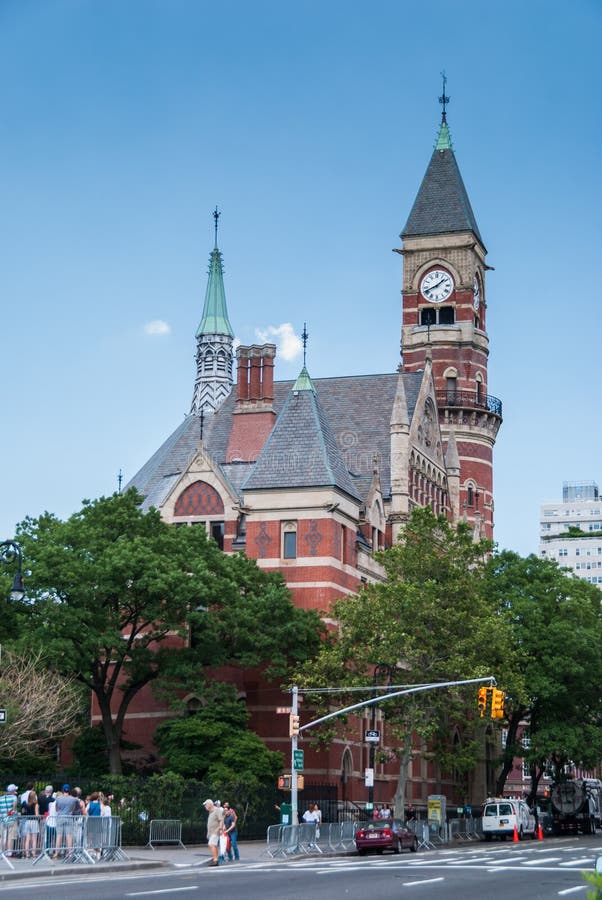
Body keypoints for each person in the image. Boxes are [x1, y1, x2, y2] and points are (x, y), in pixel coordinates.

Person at [0, 784, 18, 857]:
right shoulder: (14, 797)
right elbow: (14, 808)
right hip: (11, 819)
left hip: (3, 819)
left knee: (2, 836)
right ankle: (9, 851)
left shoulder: (1, 798)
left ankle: (1, 851)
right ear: (13, 791)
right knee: (10, 836)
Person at [203, 799, 222, 866]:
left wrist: (220, 829)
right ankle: (215, 858)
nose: (205, 806)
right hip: (211, 832)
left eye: (206, 805)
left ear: (210, 805)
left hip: (215, 831)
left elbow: (221, 820)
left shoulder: (217, 810)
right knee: (214, 845)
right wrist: (208, 834)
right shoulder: (210, 811)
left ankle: (215, 860)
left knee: (211, 844)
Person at [21, 790, 40, 858]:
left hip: (27, 821)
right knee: (34, 839)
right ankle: (33, 853)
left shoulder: (26, 804)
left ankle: (27, 853)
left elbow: (24, 813)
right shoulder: (36, 804)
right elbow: (36, 814)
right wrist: (40, 816)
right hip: (34, 821)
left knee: (27, 838)